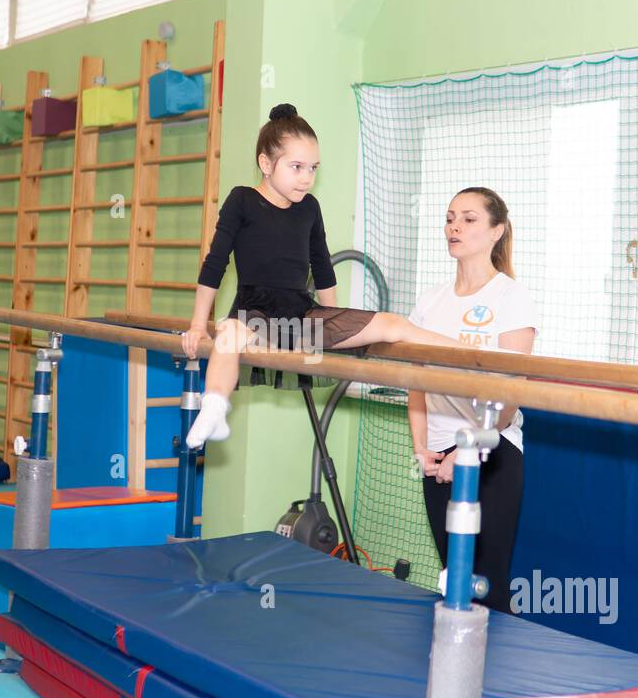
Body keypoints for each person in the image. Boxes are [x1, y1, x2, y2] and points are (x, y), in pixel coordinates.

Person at [181, 104, 465, 447]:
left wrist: (333, 321)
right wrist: (199, 324)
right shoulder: (242, 200)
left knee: (393, 324)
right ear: (266, 164)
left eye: (313, 168)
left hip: (303, 316)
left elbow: (323, 268)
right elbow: (215, 264)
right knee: (227, 333)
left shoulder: (309, 208)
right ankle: (214, 409)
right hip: (256, 315)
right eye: (297, 167)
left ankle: (472, 356)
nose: (307, 178)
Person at [407, 187, 538, 613]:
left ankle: (492, 680)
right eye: (449, 218)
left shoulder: (509, 297)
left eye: (468, 219)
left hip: (491, 451)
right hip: (439, 454)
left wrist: (466, 452)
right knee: (453, 579)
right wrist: (421, 449)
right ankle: (453, 676)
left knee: (487, 584)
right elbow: (414, 381)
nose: (454, 227)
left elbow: (510, 395)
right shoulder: (430, 300)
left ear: (497, 230)